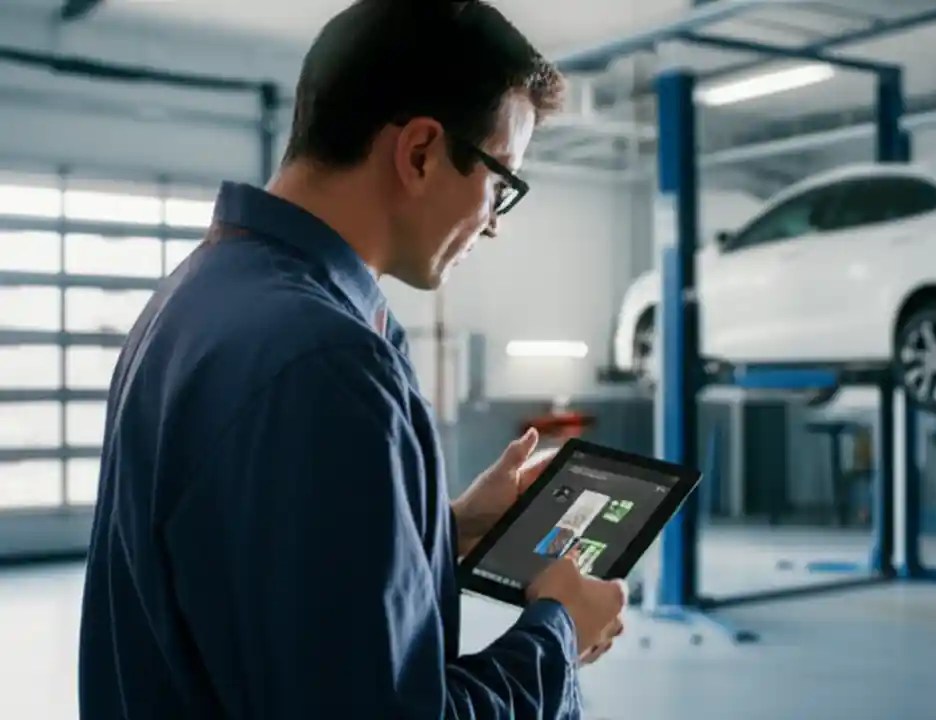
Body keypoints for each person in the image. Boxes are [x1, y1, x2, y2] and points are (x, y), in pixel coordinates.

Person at [77, 1, 626, 717]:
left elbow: (264, 581)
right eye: (501, 185)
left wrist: (446, 528)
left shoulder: (203, 293)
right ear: (421, 152)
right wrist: (559, 632)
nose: (493, 224)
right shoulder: (325, 361)